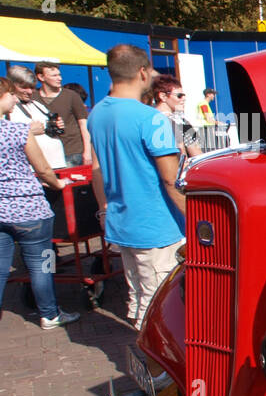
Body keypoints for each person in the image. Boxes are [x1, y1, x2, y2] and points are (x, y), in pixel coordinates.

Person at [89, 45, 185, 328]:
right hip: (155, 225)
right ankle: (152, 367)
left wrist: (103, 211)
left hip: (123, 221)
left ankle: (142, 354)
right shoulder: (150, 118)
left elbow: (96, 169)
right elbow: (171, 180)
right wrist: (195, 219)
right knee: (160, 306)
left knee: (138, 296)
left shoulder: (97, 113)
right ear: (143, 72)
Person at [0, 76, 80, 328]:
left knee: (1, 267)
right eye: (11, 94)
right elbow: (43, 169)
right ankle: (50, 313)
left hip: (1, 210)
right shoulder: (17, 131)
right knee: (43, 263)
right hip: (31, 210)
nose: (15, 98)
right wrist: (58, 183)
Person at [6, 65, 66, 169]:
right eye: (24, 87)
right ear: (12, 85)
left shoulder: (37, 105)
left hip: (57, 164)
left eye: (32, 87)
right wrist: (28, 131)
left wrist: (56, 126)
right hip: (32, 170)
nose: (29, 92)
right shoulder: (7, 109)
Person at [34, 61, 93, 166]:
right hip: (45, 153)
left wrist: (87, 152)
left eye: (59, 75)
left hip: (72, 151)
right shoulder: (33, 97)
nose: (59, 78)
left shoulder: (71, 96)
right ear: (41, 77)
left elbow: (84, 124)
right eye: (54, 75)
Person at [150, 74, 202, 161]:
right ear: (163, 96)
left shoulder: (146, 119)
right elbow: (197, 157)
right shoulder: (181, 123)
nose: (184, 99)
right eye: (179, 95)